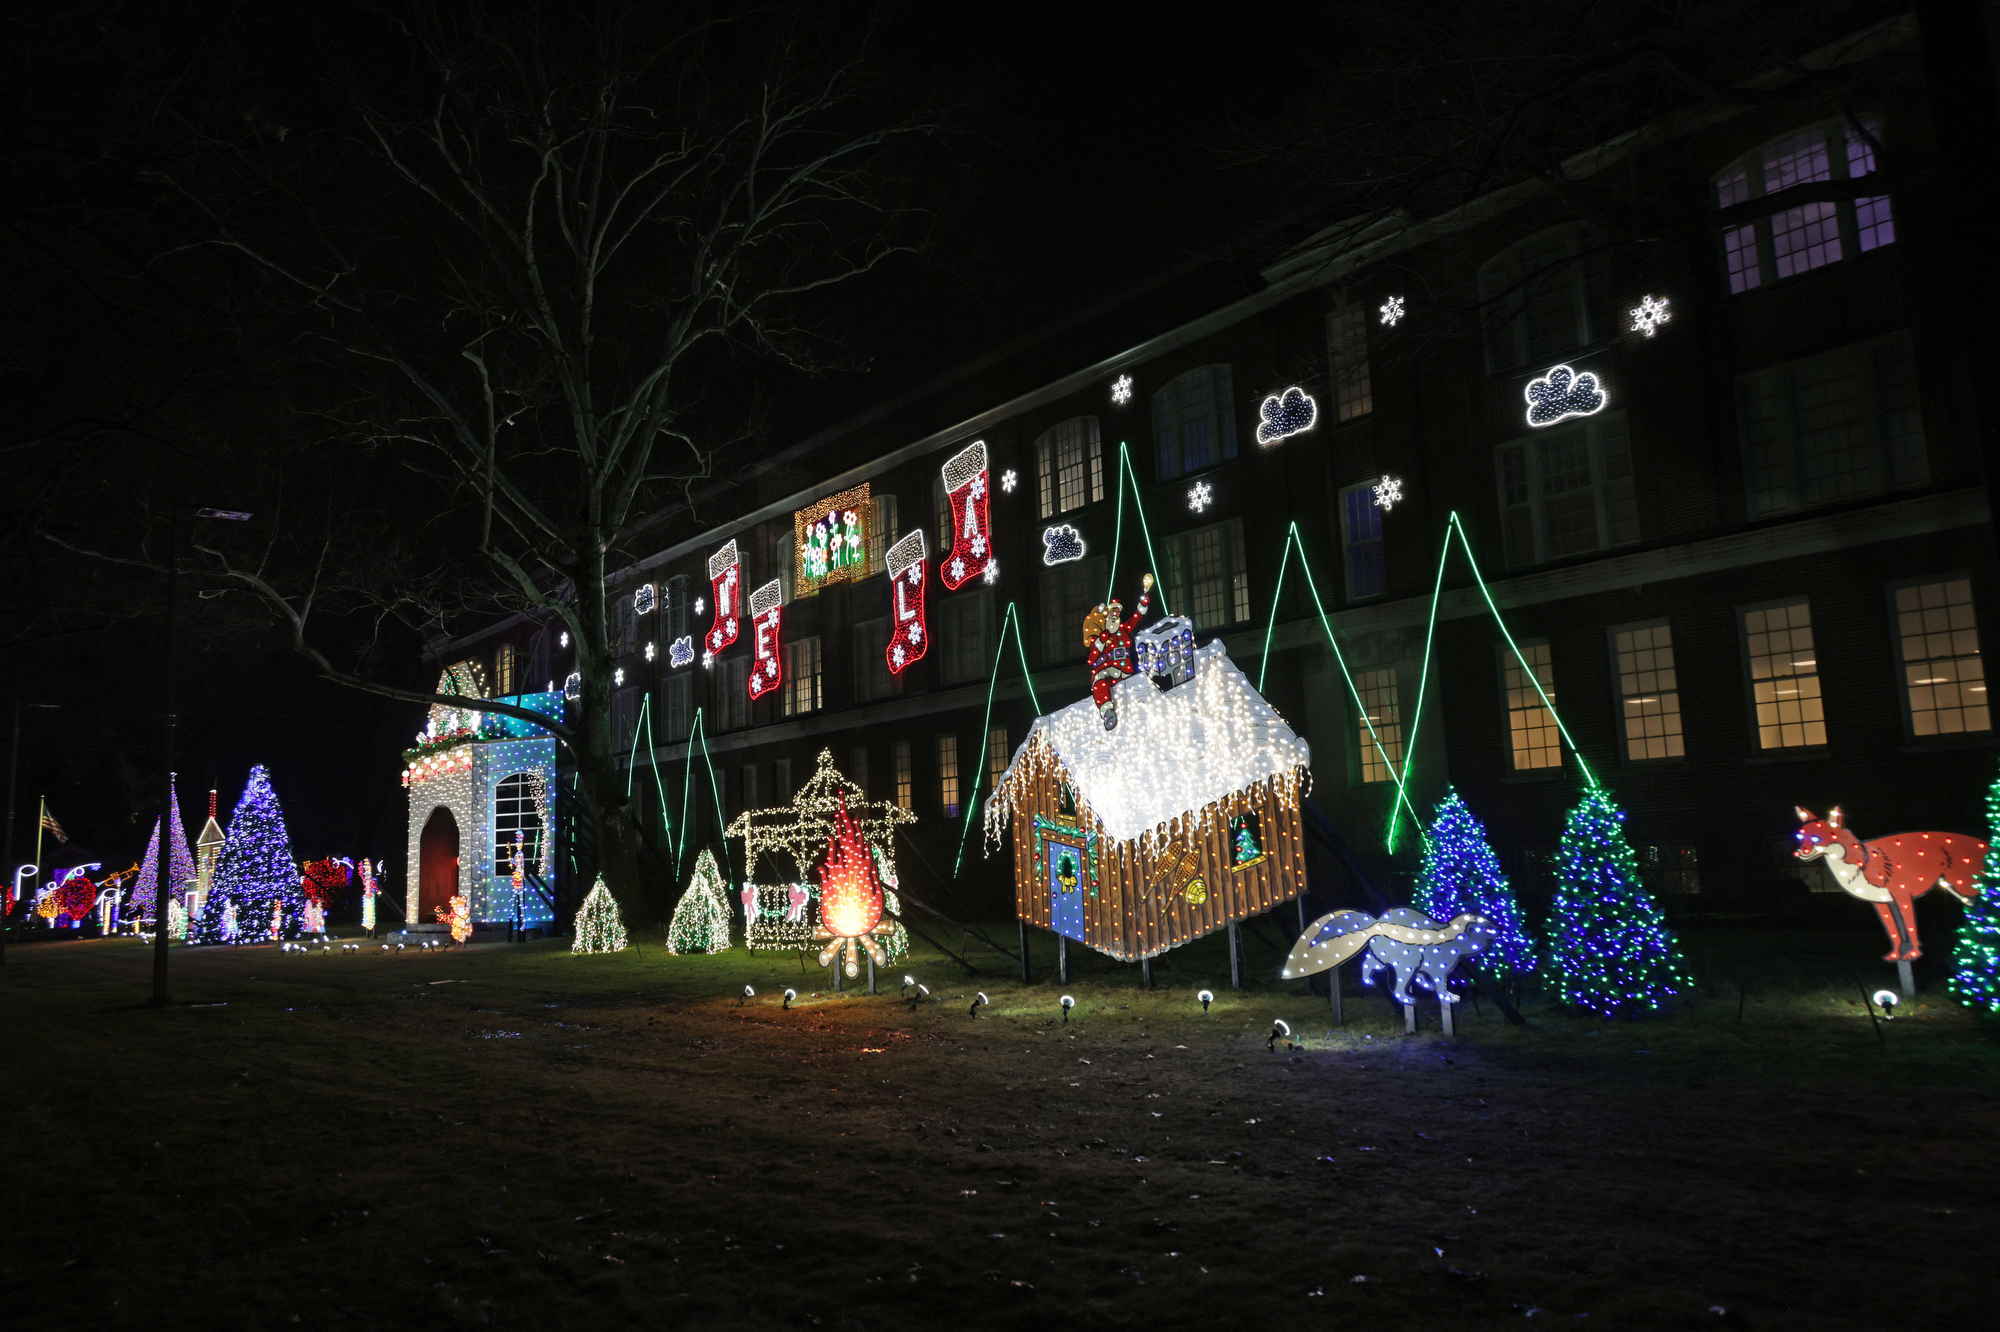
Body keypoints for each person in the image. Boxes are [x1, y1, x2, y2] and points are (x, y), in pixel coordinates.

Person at [1083, 572, 1153, 730]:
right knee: (1099, 683)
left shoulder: (1123, 629)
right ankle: (1108, 712)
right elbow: (1091, 658)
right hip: (1106, 670)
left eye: (1117, 612)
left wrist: (1144, 598)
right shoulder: (1100, 635)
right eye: (1113, 611)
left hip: (1123, 670)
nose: (1115, 615)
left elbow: (1137, 617)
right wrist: (1102, 640)